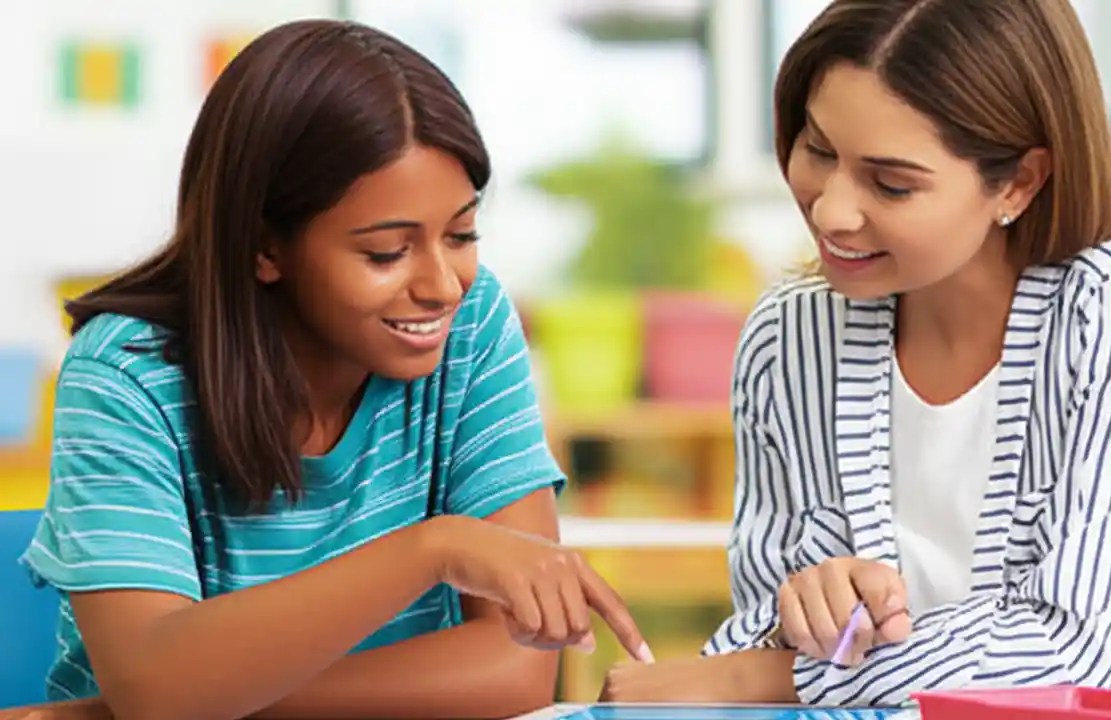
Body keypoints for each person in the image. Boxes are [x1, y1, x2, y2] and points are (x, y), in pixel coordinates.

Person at [600, 0, 1111, 707]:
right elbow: (768, 618)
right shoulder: (789, 337)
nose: (830, 211)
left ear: (1018, 181)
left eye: (891, 183)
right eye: (819, 149)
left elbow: (1083, 652)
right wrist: (806, 611)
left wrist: (762, 673)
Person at [20, 19, 651, 720]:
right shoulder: (127, 373)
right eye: (387, 253)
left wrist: (166, 705)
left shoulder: (468, 325)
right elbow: (157, 679)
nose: (442, 284)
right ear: (265, 246)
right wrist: (433, 549)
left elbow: (517, 671)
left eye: (462, 234)